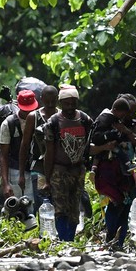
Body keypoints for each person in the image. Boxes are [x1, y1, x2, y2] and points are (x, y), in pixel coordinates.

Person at [40, 86, 93, 241]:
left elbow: (91, 143)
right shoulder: (54, 122)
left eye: (73, 104)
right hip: (59, 170)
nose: (70, 108)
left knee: (74, 207)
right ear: (61, 103)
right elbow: (49, 152)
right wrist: (48, 179)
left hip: (78, 170)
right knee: (60, 208)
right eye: (66, 104)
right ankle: (64, 240)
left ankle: (70, 240)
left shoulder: (85, 119)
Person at [90, 97, 136, 248]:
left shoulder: (131, 125)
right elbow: (94, 143)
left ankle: (119, 241)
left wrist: (126, 131)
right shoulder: (107, 121)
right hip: (109, 170)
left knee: (126, 204)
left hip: (127, 172)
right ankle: (111, 237)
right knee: (115, 201)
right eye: (125, 113)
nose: (127, 116)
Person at [19, 85, 59, 210]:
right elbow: (24, 145)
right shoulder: (33, 117)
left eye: (53, 102)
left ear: (58, 99)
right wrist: (21, 174)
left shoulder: (62, 116)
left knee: (58, 202)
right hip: (38, 165)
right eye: (47, 102)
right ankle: (45, 229)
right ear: (41, 99)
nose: (50, 104)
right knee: (42, 203)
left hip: (59, 165)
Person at [0, 90, 39, 203]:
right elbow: (3, 155)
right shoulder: (9, 124)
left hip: (37, 169)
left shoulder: (41, 119)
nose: (29, 113)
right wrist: (5, 183)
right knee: (18, 206)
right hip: (15, 170)